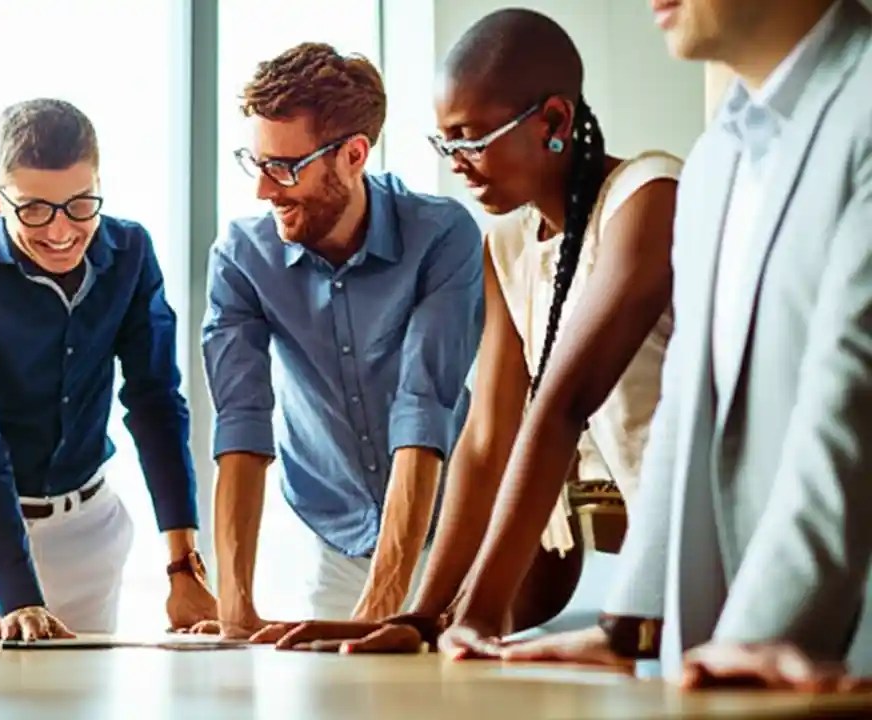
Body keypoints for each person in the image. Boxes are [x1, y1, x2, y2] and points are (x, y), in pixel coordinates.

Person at [452, 0, 872, 692]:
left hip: (832, 652)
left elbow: (853, 398)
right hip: (749, 658)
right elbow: (685, 409)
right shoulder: (715, 161)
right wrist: (633, 622)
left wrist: (770, 627)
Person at [267, 9, 682, 654]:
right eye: (445, 143)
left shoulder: (648, 196)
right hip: (598, 565)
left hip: (698, 547)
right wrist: (423, 616)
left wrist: (478, 616)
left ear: (553, 122)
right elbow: (488, 440)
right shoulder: (508, 244)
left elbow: (562, 403)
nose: (457, 162)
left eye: (471, 138)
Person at [197, 42, 484, 639]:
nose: (264, 191)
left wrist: (382, 604)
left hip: (455, 535)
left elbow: (422, 407)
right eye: (257, 164)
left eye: (285, 167)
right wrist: (235, 607)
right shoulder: (242, 258)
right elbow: (243, 423)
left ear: (353, 155)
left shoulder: (441, 236)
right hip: (336, 540)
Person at [0, 98, 216, 641]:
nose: (60, 232)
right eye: (34, 209)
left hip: (86, 533)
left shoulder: (131, 253)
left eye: (80, 205)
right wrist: (19, 600)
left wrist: (182, 566)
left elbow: (156, 402)